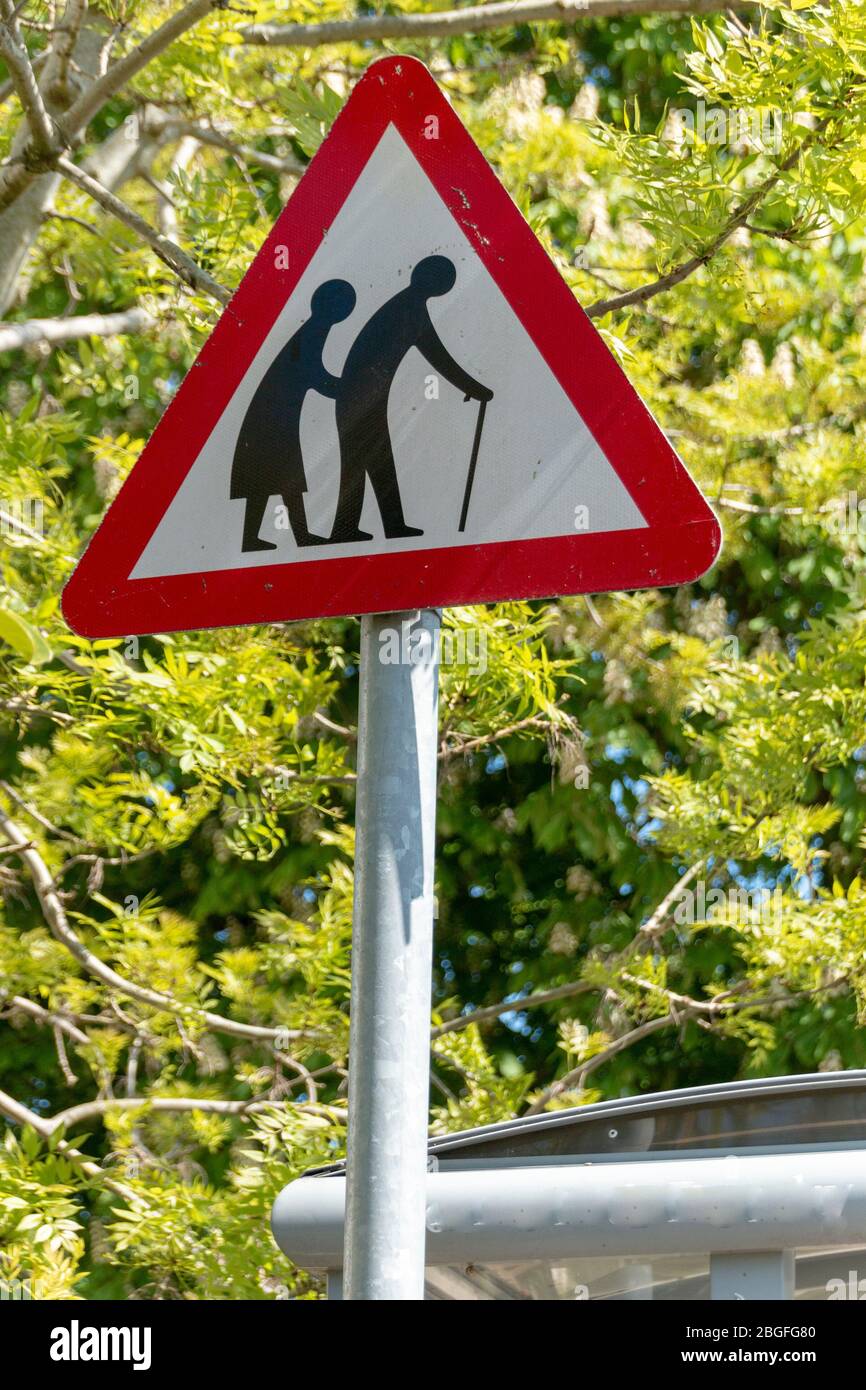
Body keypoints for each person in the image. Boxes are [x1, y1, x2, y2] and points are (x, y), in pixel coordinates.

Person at [328, 256, 492, 543]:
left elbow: (438, 357)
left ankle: (374, 527)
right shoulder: (410, 309)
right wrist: (477, 390)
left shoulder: (406, 304)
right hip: (359, 399)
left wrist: (475, 389)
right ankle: (358, 529)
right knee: (365, 463)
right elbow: (439, 358)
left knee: (373, 463)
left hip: (361, 398)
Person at [231, 278, 356, 551]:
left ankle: (286, 537)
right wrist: (347, 387)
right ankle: (287, 537)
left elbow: (311, 373)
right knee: (279, 476)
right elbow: (312, 373)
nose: (343, 310)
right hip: (273, 418)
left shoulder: (314, 328)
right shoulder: (314, 331)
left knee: (272, 478)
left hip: (275, 416)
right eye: (342, 305)